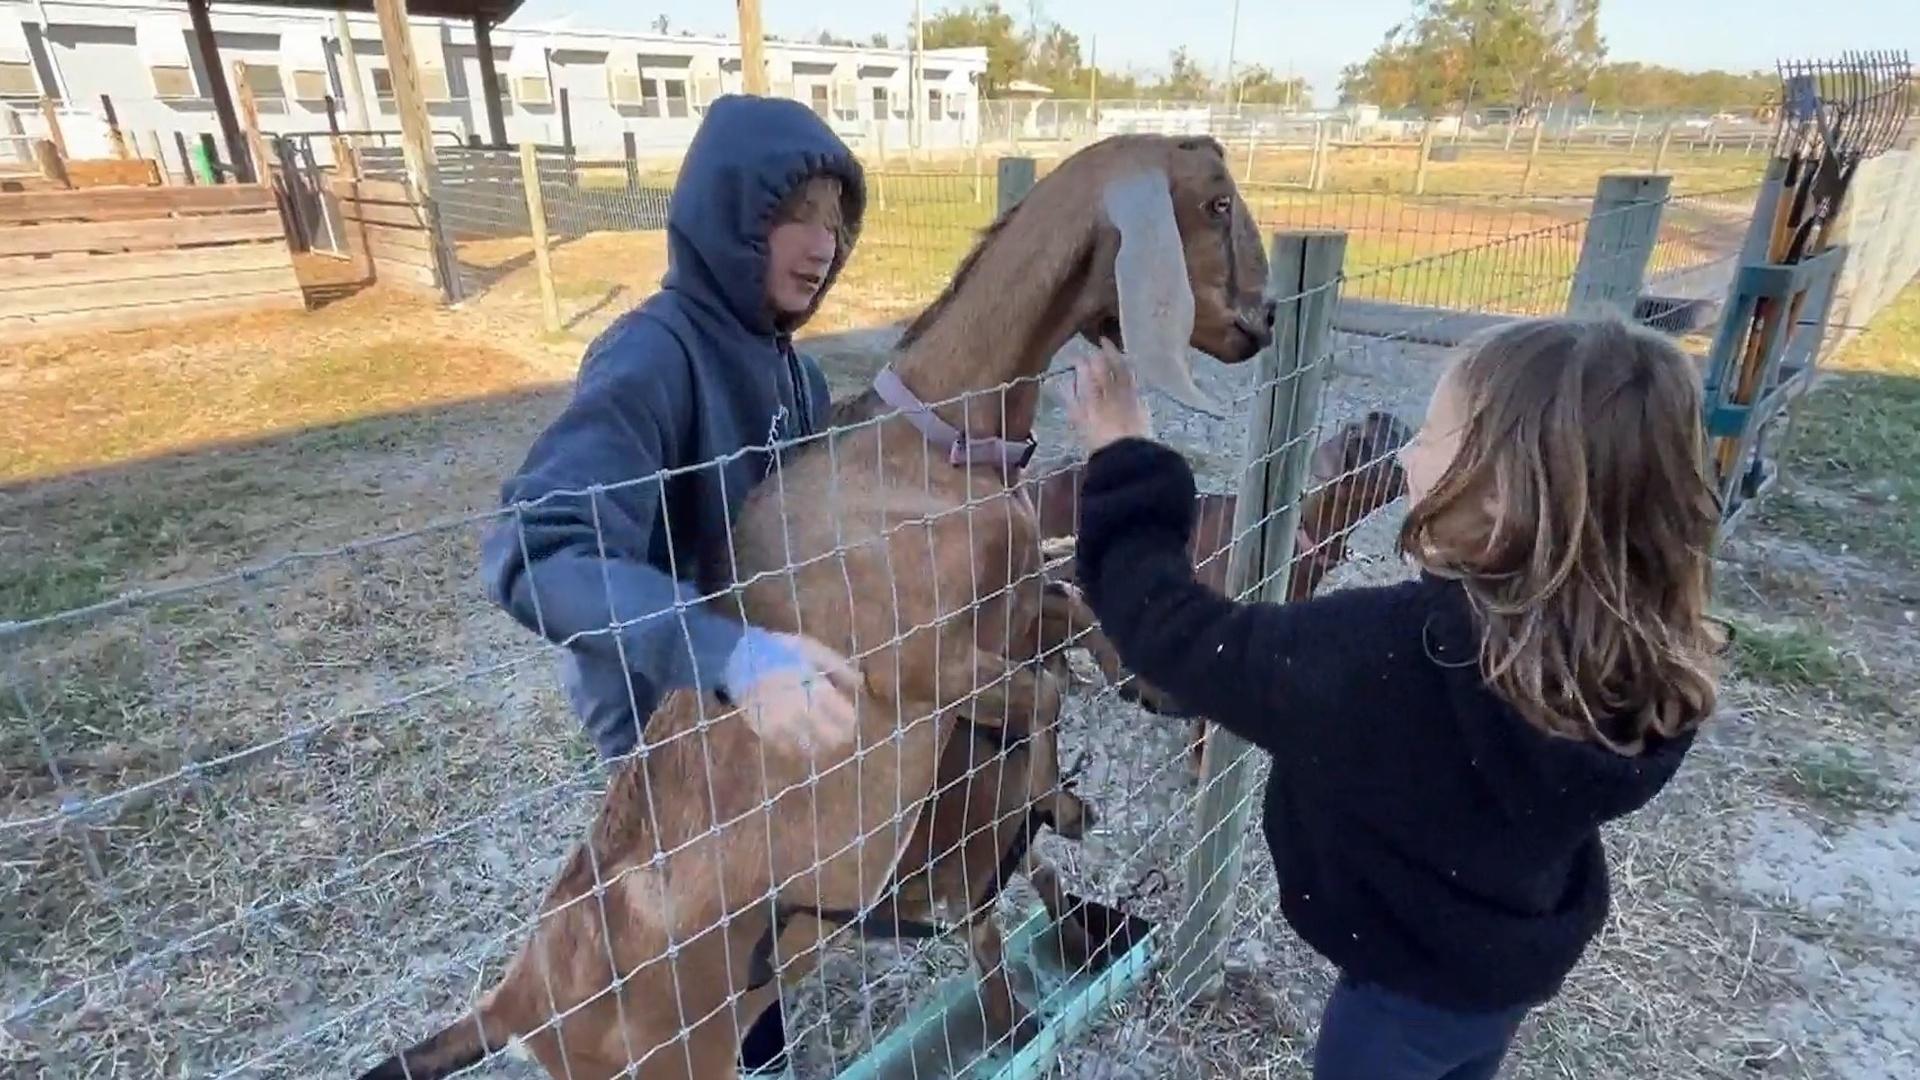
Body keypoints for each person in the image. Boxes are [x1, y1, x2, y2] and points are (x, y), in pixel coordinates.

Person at [1060, 316, 1724, 1080]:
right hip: (1492, 984)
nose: (1407, 453)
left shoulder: (1391, 662)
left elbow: (1173, 634)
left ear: (1502, 496)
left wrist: (1124, 455)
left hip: (1389, 1012)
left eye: (1431, 436)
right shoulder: (1635, 665)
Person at [479, 94, 870, 1079]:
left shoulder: (796, 374)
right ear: (728, 216)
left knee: (757, 915)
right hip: (668, 707)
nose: (820, 244)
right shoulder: (655, 355)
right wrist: (727, 656)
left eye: (837, 220)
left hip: (760, 704)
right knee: (697, 936)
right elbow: (538, 550)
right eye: (795, 215)